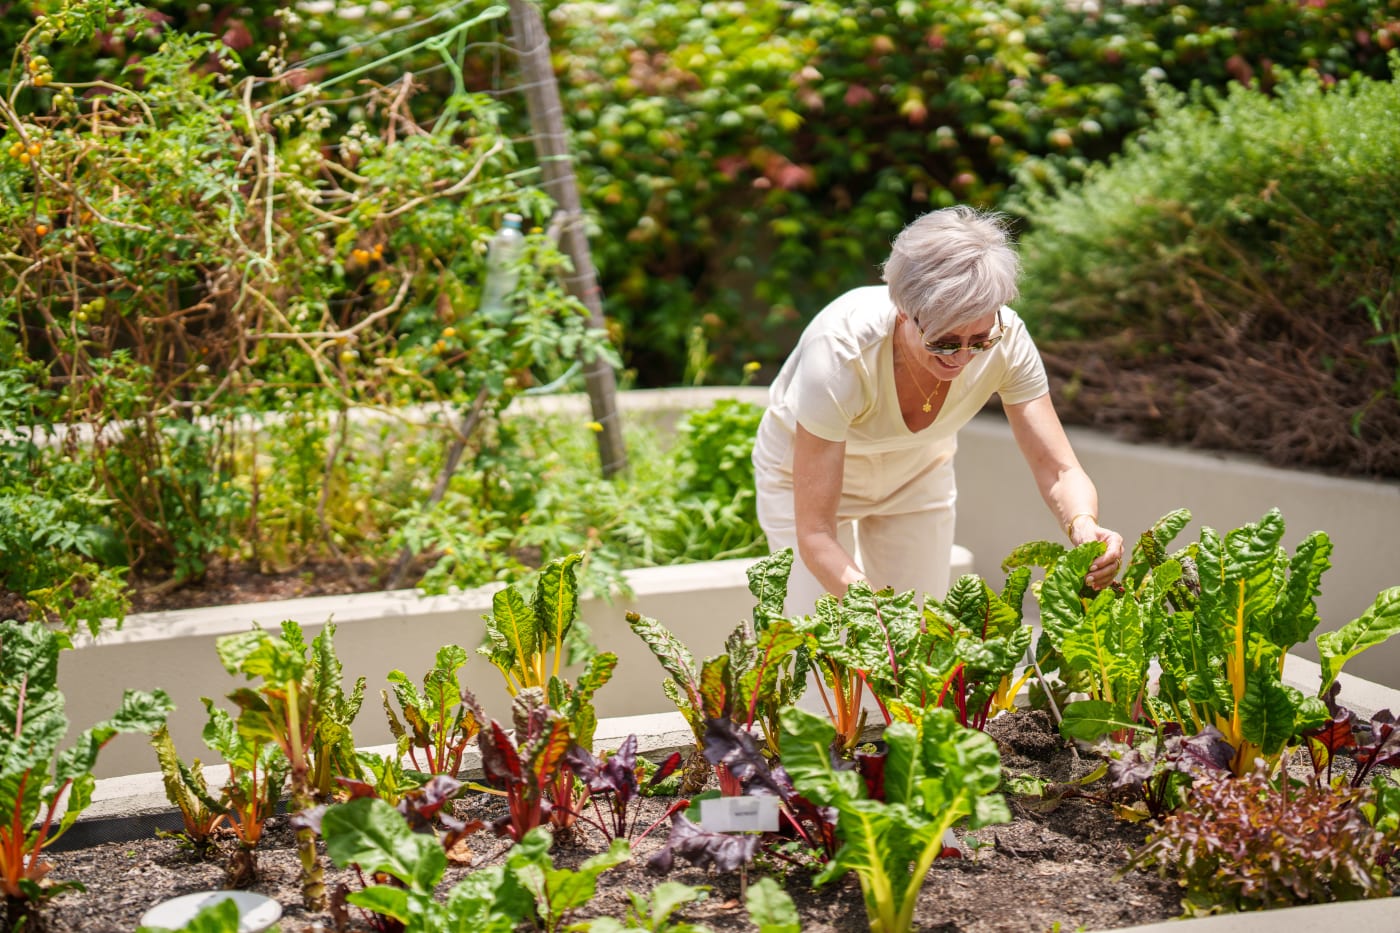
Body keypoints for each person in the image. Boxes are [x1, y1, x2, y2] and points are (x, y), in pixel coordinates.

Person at [752, 206, 1124, 618]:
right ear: (902, 311)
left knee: (922, 641)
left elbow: (1058, 469)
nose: (962, 357)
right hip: (803, 480)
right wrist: (878, 613)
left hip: (917, 474)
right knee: (823, 640)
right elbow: (816, 535)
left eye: (979, 340)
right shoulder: (842, 353)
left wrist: (1083, 525)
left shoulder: (1009, 339)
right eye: (944, 341)